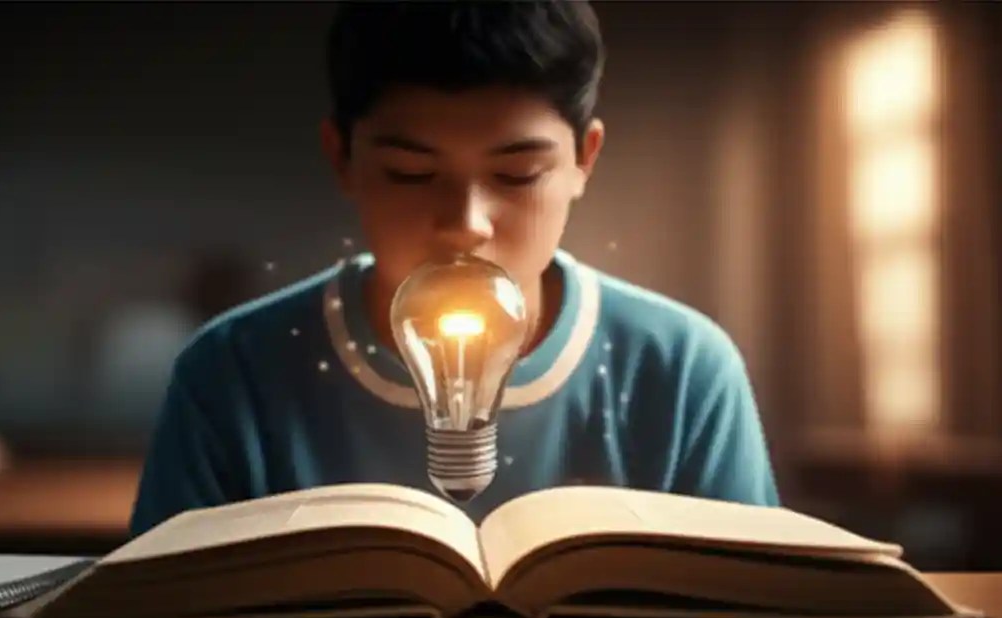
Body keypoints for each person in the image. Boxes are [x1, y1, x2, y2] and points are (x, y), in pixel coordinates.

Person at [128, 0, 779, 538]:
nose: (466, 224)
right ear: (342, 158)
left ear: (585, 158)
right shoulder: (233, 373)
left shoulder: (680, 369)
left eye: (517, 174)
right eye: (411, 173)